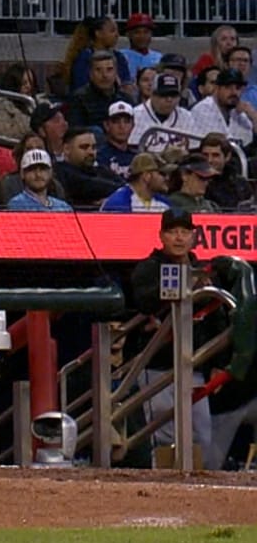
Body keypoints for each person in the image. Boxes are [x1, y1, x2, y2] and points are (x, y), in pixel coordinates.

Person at [124, 209, 214, 465]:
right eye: (172, 232)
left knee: (202, 434)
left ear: (193, 236)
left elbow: (217, 319)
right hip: (156, 367)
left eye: (185, 232)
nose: (179, 238)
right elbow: (142, 301)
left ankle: (196, 484)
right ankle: (164, 483)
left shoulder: (203, 272)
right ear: (161, 236)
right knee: (163, 435)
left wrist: (216, 362)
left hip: (194, 365)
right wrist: (181, 285)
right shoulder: (148, 268)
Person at [56, 127, 121, 207]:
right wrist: (115, 197)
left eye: (93, 147)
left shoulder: (102, 170)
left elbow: (129, 188)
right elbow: (88, 186)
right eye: (84, 147)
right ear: (67, 149)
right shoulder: (59, 171)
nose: (91, 152)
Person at [100, 152, 173, 212]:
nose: (167, 178)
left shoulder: (164, 203)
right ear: (147, 176)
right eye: (162, 174)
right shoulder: (118, 204)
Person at [8, 149, 72, 211]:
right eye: (32, 169)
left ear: (51, 172)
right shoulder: (16, 205)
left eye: (43, 169)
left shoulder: (63, 207)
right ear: (22, 173)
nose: (38, 174)